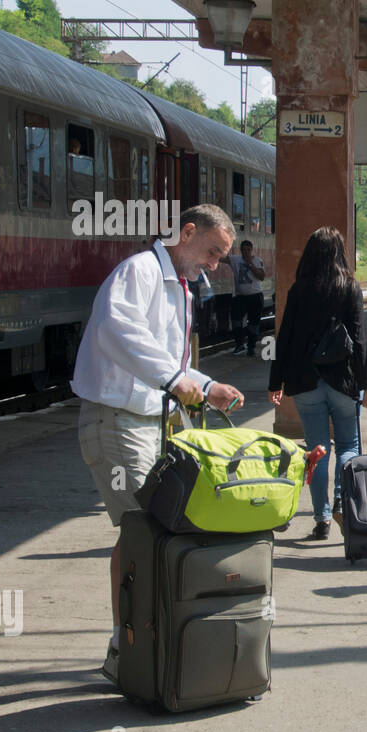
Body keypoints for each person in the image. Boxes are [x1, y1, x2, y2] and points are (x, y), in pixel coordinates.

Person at [72, 204, 245, 685]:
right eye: (211, 252)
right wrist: (174, 379)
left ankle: (134, 644)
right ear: (186, 232)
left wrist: (207, 386)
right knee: (144, 529)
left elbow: (170, 358)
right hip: (118, 419)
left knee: (144, 530)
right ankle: (127, 648)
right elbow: (118, 332)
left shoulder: (177, 285)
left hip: (146, 421)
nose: (214, 265)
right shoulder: (140, 272)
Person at [267, 227, 367, 541]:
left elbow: (284, 338)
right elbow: (359, 341)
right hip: (343, 380)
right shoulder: (349, 287)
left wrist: (276, 381)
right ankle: (343, 502)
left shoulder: (298, 289)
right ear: (339, 253)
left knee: (316, 451)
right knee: (348, 446)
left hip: (305, 382)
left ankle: (322, 518)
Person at [225, 239, 266, 355]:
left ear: (251, 250)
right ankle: (239, 344)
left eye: (248, 250)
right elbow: (222, 259)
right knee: (236, 320)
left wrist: (250, 264)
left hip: (255, 296)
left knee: (253, 323)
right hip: (240, 297)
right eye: (244, 250)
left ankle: (251, 347)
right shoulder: (235, 260)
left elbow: (261, 276)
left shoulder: (258, 261)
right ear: (241, 250)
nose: (246, 252)